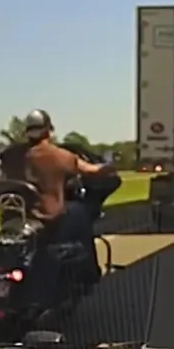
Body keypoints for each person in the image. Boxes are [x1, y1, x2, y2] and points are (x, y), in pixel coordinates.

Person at [19, 109, 111, 316]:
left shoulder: (11, 154)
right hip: (47, 218)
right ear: (48, 131)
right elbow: (90, 170)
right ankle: (89, 273)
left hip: (16, 218)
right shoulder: (58, 155)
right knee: (81, 212)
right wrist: (106, 168)